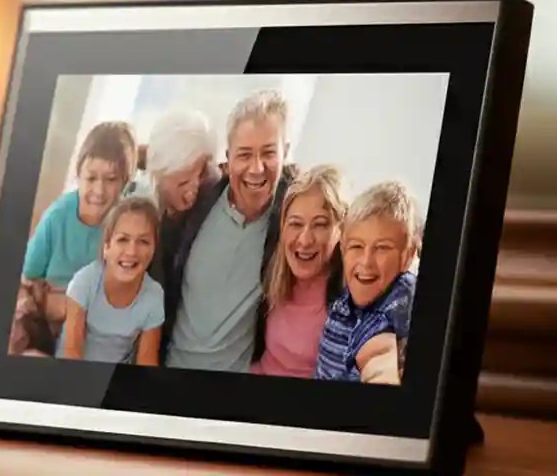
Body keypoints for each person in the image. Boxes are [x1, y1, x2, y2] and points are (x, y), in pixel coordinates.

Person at [163, 89, 293, 372]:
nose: (256, 169)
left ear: (286, 153)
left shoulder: (290, 222)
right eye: (244, 155)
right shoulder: (199, 201)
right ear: (228, 159)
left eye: (269, 153)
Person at [12, 121, 136, 355]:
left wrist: (63, 304)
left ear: (125, 183)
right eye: (91, 178)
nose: (99, 191)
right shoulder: (58, 216)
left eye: (111, 180)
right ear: (79, 175)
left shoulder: (126, 227)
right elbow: (27, 281)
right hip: (42, 319)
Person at [315, 180, 421, 385]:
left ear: (406, 257)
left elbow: (381, 356)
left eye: (382, 248)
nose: (366, 262)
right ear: (343, 250)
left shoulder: (403, 294)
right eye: (356, 247)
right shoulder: (342, 305)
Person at [249, 165, 347, 378]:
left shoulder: (348, 301)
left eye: (320, 225)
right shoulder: (270, 275)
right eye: (295, 224)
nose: (304, 240)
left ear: (341, 230)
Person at [59, 197, 166, 365]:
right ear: (106, 247)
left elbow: (147, 360)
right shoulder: (84, 282)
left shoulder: (154, 295)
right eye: (123, 239)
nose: (132, 251)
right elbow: (72, 352)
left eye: (143, 241)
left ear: (153, 249)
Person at [129, 110, 219, 290]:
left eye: (200, 174)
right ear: (160, 174)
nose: (192, 189)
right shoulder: (139, 207)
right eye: (183, 182)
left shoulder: (214, 192)